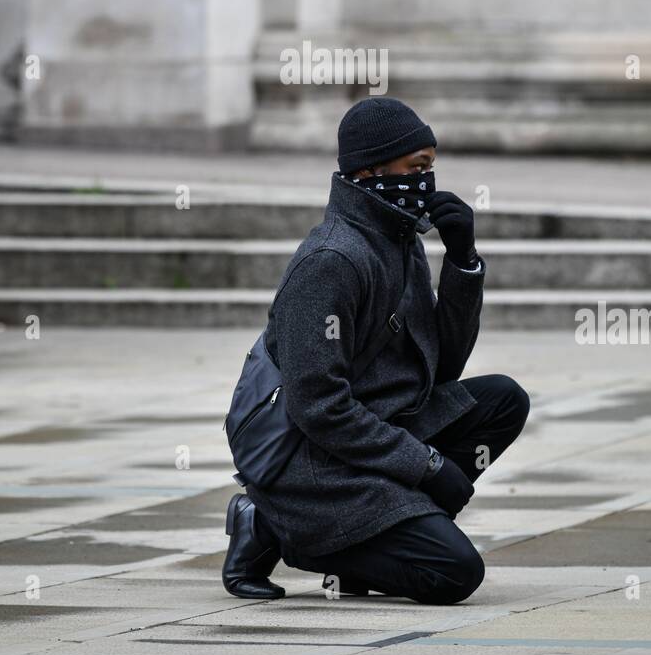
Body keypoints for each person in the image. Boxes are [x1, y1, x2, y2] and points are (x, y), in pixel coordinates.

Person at [222, 96, 530, 605]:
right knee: (453, 574)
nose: (427, 183)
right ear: (372, 170)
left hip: (375, 434)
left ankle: (387, 526)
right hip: (313, 464)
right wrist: (426, 465)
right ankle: (273, 526)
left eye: (430, 168)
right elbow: (318, 406)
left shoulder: (399, 240)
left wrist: (462, 263)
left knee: (502, 399)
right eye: (417, 168)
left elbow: (441, 369)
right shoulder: (331, 261)